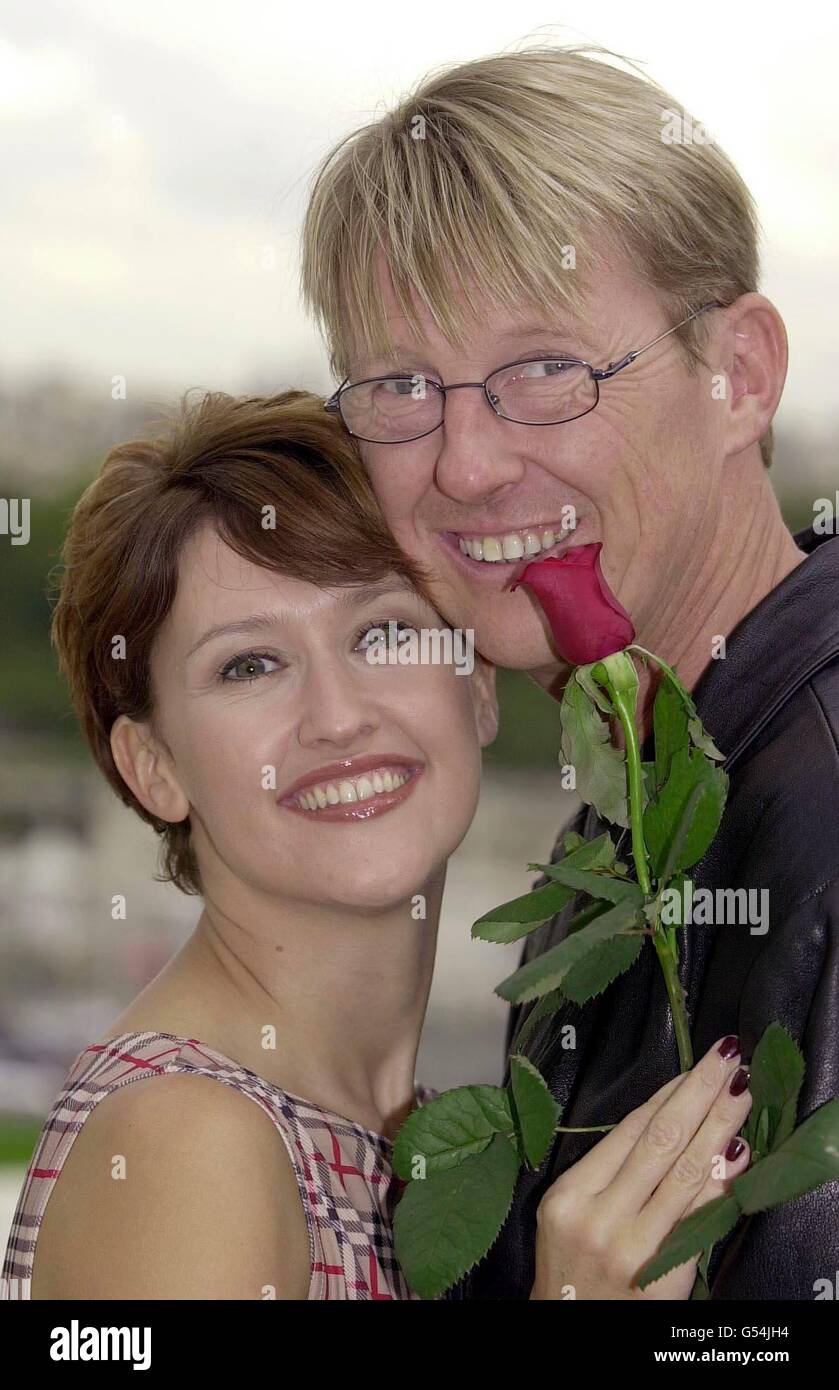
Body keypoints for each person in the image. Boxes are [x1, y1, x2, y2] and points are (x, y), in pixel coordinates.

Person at [1, 389, 751, 1301]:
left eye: (384, 632)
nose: (339, 716)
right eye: (250, 664)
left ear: (475, 685)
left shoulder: (405, 1139)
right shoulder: (189, 1141)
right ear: (152, 765)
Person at [299, 43, 839, 1298]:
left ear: (739, 377)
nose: (466, 464)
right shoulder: (661, 781)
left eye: (547, 368)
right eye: (399, 385)